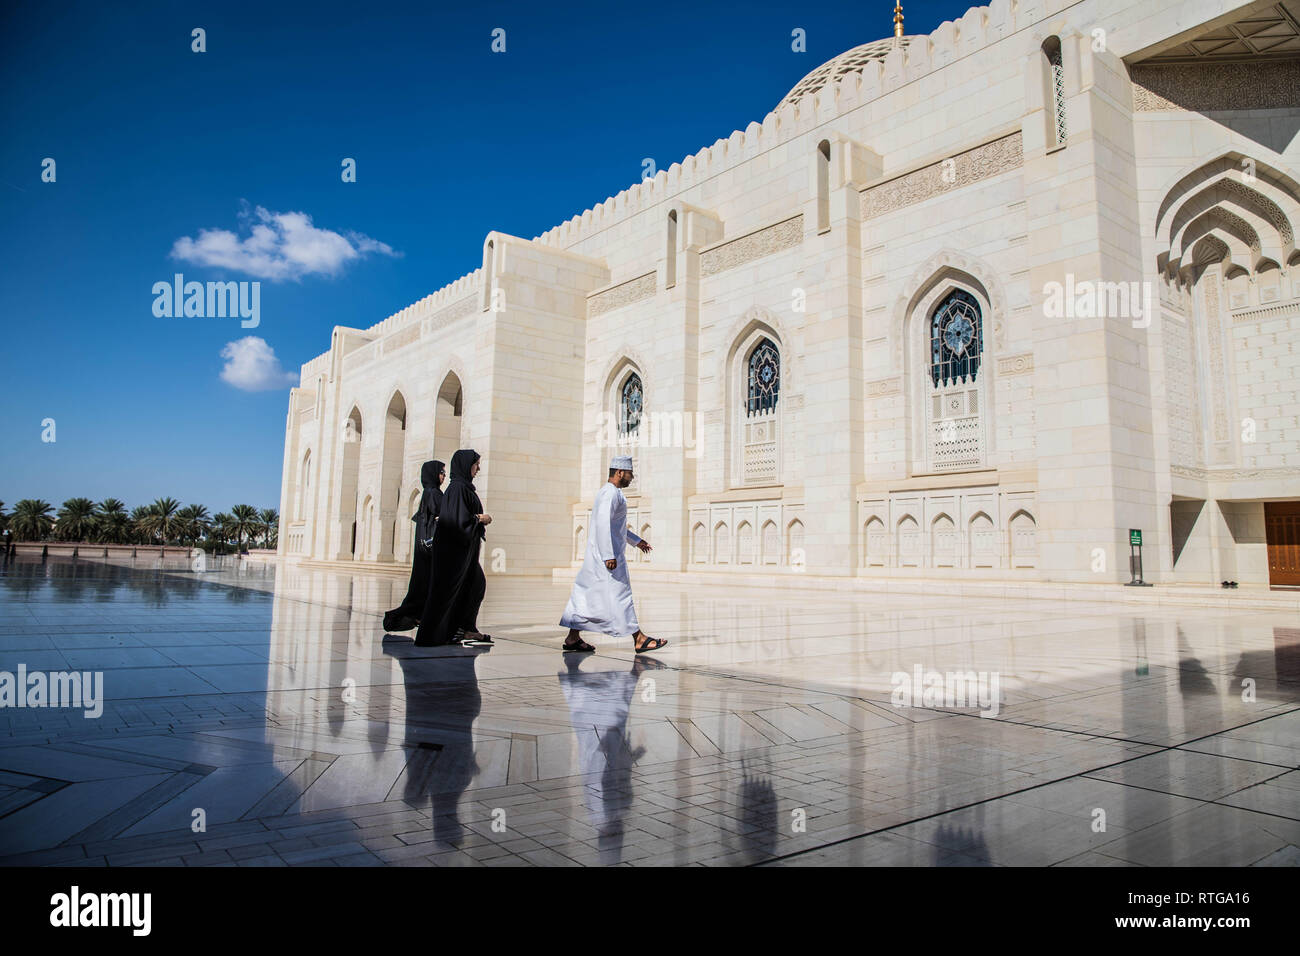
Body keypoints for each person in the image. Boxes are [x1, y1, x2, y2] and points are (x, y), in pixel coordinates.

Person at [560, 455, 666, 654]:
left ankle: (573, 637)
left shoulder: (610, 492)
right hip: (607, 558)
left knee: (587, 596)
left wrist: (636, 541)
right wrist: (609, 555)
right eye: (630, 473)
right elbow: (603, 524)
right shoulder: (610, 494)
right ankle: (639, 638)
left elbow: (616, 527)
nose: (632, 477)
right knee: (621, 595)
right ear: (619, 472)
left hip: (599, 558)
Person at [415, 449, 493, 647]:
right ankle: (448, 631)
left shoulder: (462, 488)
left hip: (462, 551)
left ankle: (463, 628)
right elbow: (457, 520)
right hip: (455, 553)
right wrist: (480, 518)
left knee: (472, 586)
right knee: (461, 588)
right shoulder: (458, 489)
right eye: (476, 464)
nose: (478, 469)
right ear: (466, 465)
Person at [383, 460, 445, 633]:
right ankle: (398, 617)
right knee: (427, 585)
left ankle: (416, 616)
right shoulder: (433, 493)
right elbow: (444, 514)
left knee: (422, 586)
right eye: (441, 472)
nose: (443, 476)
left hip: (424, 549)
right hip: (431, 550)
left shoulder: (429, 492)